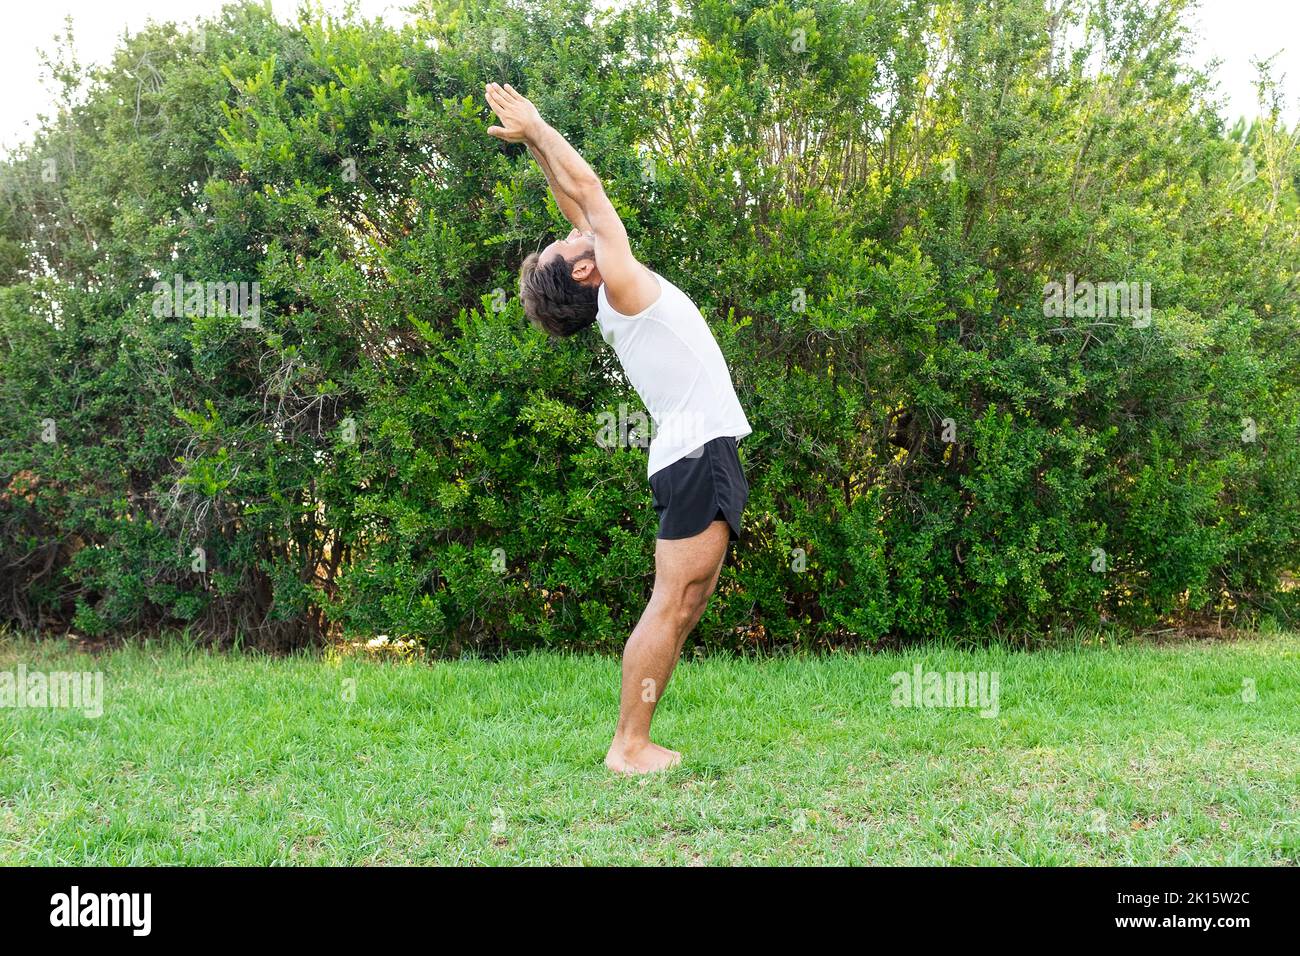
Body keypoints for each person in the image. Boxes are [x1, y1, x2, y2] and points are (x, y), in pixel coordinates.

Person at [485, 83, 752, 774]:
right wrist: (540, 126)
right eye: (570, 241)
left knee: (684, 603)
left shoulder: (608, 293)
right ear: (583, 267)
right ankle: (629, 745)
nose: (576, 229)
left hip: (693, 452)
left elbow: (574, 199)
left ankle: (635, 741)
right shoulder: (624, 287)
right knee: (673, 602)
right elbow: (590, 191)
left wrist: (537, 146)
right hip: (695, 455)